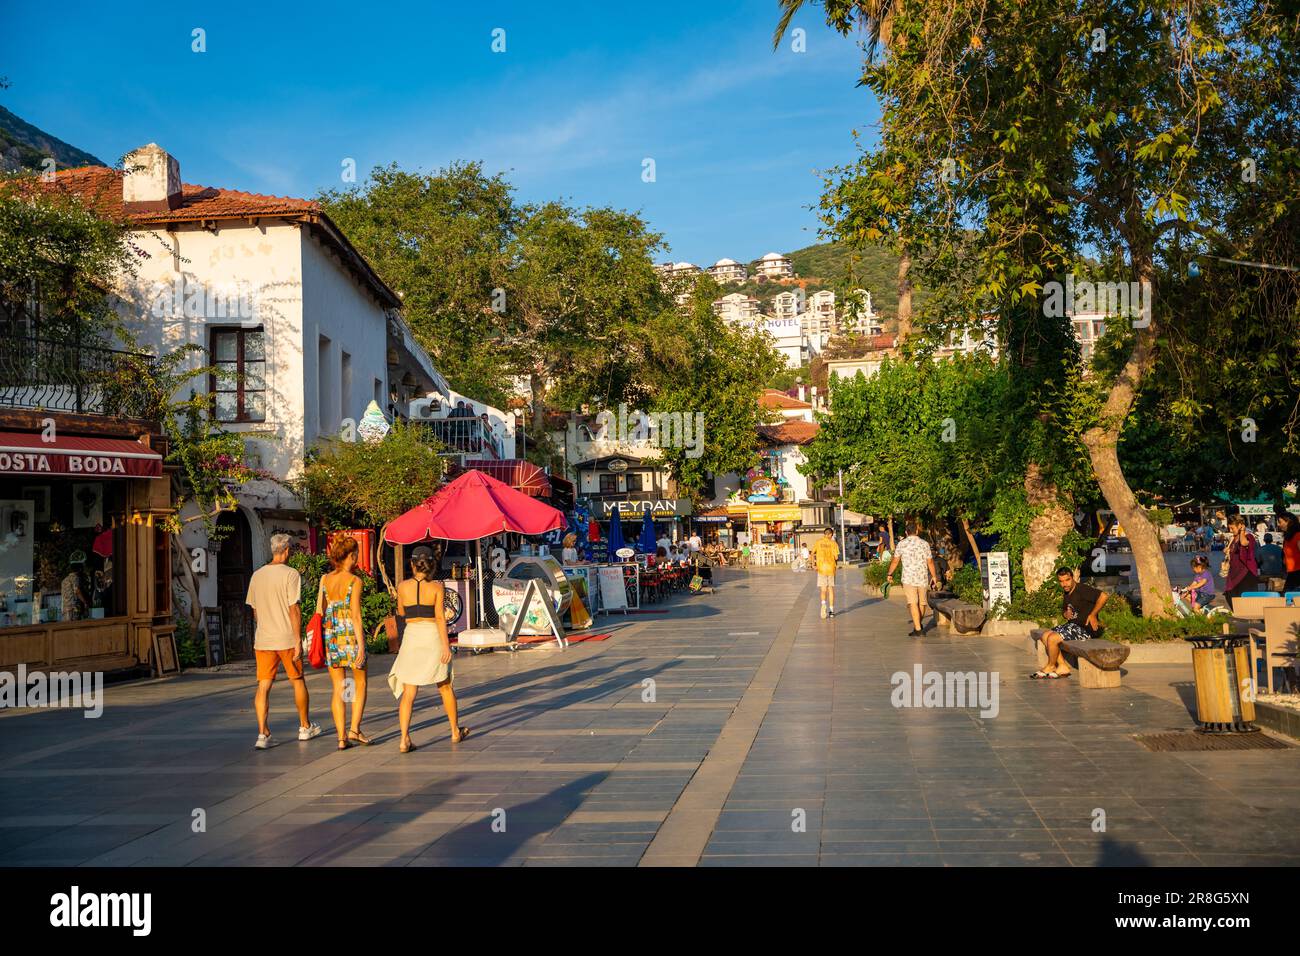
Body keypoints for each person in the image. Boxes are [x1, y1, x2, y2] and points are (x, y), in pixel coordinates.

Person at [388, 545, 467, 751]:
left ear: (412, 564)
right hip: (432, 636)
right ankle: (454, 731)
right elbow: (440, 618)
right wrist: (446, 646)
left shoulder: (402, 586)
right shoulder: (437, 588)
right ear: (431, 564)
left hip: (412, 636)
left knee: (409, 692)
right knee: (445, 686)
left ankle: (404, 738)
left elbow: (401, 612)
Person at [246, 533, 321, 749]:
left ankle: (263, 733)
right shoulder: (291, 574)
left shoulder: (257, 575)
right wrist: (298, 639)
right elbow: (294, 609)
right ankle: (305, 726)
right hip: (286, 637)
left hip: (264, 639)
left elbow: (255, 611)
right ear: (286, 550)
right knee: (297, 680)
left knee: (264, 685)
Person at [319, 535, 370, 749]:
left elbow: (320, 611)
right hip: (350, 635)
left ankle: (341, 737)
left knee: (340, 686)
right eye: (356, 553)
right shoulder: (354, 581)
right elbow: (356, 615)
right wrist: (362, 646)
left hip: (332, 636)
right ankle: (354, 729)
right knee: (360, 682)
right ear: (351, 555)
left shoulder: (325, 579)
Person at [1032, 567, 1108, 679]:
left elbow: (1104, 596)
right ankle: (1062, 666)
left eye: (1067, 580)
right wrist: (1065, 615)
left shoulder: (1082, 589)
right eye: (1061, 581)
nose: (1064, 584)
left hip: (1085, 629)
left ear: (1073, 578)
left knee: (1052, 638)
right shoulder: (1067, 592)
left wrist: (1093, 614)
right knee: (1045, 636)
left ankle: (1051, 666)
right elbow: (1064, 611)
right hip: (1072, 626)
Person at [887, 520, 939, 636]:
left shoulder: (902, 544)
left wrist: (889, 574)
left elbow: (895, 561)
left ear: (906, 532)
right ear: (916, 531)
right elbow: (930, 561)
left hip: (908, 578)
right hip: (922, 577)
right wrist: (934, 576)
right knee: (922, 602)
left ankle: (918, 629)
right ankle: (918, 625)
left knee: (913, 602)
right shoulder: (924, 544)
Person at [1223, 513, 1261, 601]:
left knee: (1245, 600)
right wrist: (1227, 550)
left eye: (1232, 528)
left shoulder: (1249, 536)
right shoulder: (1233, 538)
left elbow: (1244, 543)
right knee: (1230, 595)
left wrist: (1242, 531)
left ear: (1240, 525)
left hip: (1245, 573)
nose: (1231, 530)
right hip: (1234, 573)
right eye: (1229, 528)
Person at [812, 527, 840, 619]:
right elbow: (836, 557)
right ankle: (831, 611)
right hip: (831, 568)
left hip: (821, 568)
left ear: (824, 534)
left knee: (823, 589)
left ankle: (823, 604)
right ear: (831, 534)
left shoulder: (818, 542)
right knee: (830, 589)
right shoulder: (833, 543)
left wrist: (813, 564)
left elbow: (812, 553)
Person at [60, 551, 89, 622]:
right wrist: (85, 602)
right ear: (80, 568)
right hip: (73, 610)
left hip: (65, 611)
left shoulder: (64, 580)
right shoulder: (75, 577)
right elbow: (77, 591)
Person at [1279, 512, 1300, 592]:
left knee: (1287, 597)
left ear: (1288, 522)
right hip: (1292, 573)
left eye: (1280, 522)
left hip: (1297, 573)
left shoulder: (1298, 535)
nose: (1278, 524)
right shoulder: (1288, 538)